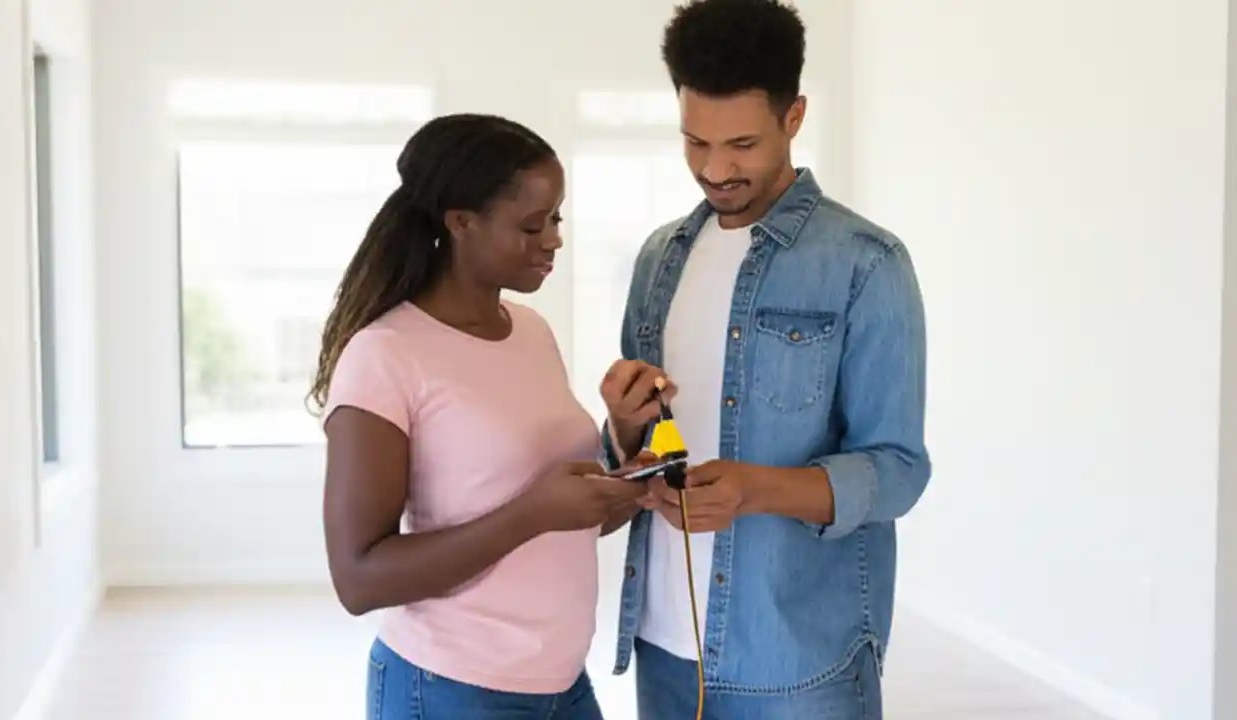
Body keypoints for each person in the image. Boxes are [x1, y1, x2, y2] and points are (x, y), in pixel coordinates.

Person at [599, 1, 931, 718]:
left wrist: (755, 488)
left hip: (799, 659)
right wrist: (624, 428)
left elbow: (899, 472)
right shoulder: (659, 258)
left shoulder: (866, 264)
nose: (715, 169)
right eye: (695, 142)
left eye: (742, 144)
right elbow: (647, 449)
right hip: (664, 644)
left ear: (795, 116)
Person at [311, 113, 649, 720]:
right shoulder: (385, 355)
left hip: (563, 684)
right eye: (531, 224)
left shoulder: (531, 331)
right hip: (451, 690)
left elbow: (562, 519)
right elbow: (358, 579)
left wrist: (622, 454)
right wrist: (532, 512)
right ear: (461, 223)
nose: (554, 239)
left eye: (557, 219)